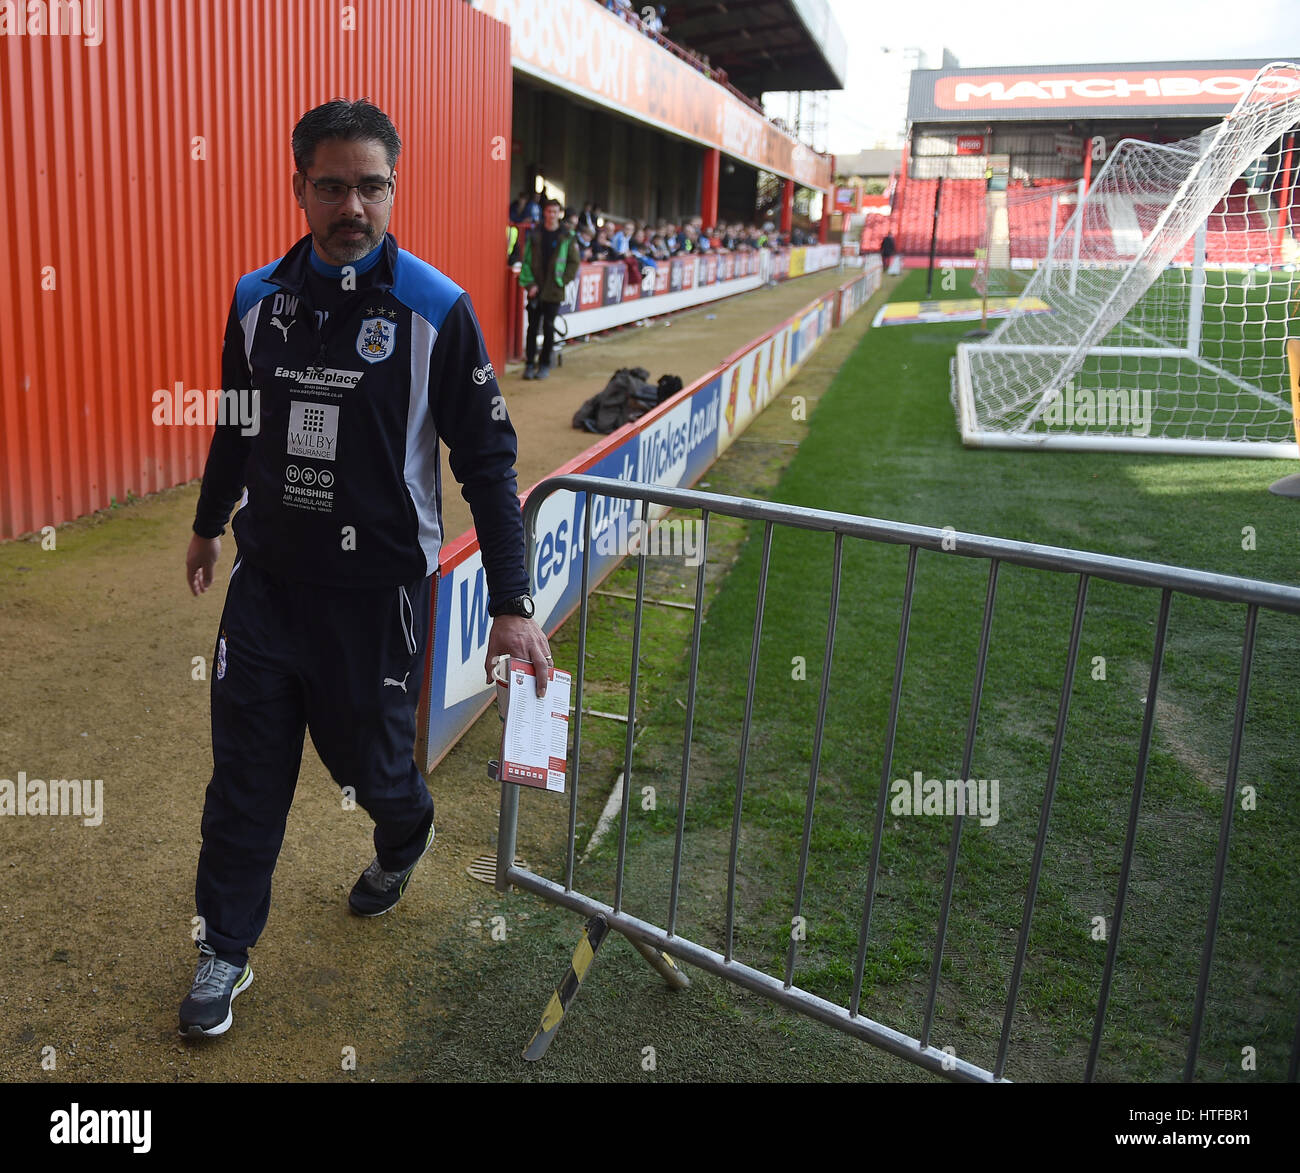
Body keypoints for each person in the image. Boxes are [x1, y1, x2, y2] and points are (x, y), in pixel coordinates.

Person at [179, 98, 551, 1038]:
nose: (354, 206)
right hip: (265, 593)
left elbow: (489, 462)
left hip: (376, 603)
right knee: (244, 783)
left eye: (372, 186)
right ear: (299, 187)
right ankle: (224, 946)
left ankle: (405, 832)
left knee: (374, 773)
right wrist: (207, 522)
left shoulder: (437, 309)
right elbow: (236, 423)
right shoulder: (255, 300)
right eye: (333, 186)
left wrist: (512, 603)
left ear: (395, 189)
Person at [518, 197, 580, 380]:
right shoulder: (535, 233)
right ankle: (529, 364)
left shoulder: (567, 236)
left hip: (553, 290)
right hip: (535, 290)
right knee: (532, 328)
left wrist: (562, 281)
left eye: (554, 212)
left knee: (549, 327)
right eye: (548, 211)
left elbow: (573, 262)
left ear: (558, 214)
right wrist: (530, 284)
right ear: (544, 212)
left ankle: (544, 364)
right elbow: (526, 260)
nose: (551, 215)